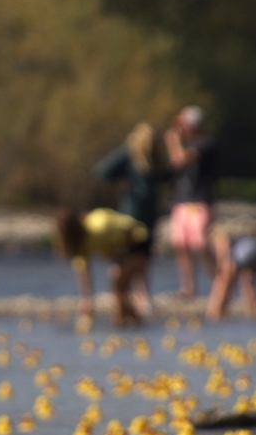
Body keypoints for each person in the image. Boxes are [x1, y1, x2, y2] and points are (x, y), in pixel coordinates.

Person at [93, 122, 160, 317]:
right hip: (131, 216)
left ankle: (140, 296)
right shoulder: (129, 154)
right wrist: (123, 180)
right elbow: (102, 170)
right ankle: (129, 296)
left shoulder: (155, 158)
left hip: (149, 215)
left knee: (143, 257)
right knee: (131, 257)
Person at [57, 208, 150, 326]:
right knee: (118, 287)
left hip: (139, 239)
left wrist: (121, 261)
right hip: (123, 246)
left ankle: (124, 322)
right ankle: (132, 322)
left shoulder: (99, 228)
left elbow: (130, 232)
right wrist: (87, 301)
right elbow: (84, 272)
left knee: (118, 283)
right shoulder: (81, 243)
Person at [163, 106, 219, 298]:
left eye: (183, 124)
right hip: (182, 200)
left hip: (200, 201)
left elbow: (180, 160)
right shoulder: (190, 146)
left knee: (200, 244)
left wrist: (173, 142)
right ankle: (189, 288)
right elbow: (173, 164)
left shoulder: (205, 143)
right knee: (181, 244)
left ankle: (219, 282)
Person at [206, 227, 256, 321]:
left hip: (246, 251)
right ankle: (255, 314)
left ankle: (217, 313)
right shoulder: (231, 236)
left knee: (224, 280)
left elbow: (226, 264)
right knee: (249, 282)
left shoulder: (217, 237)